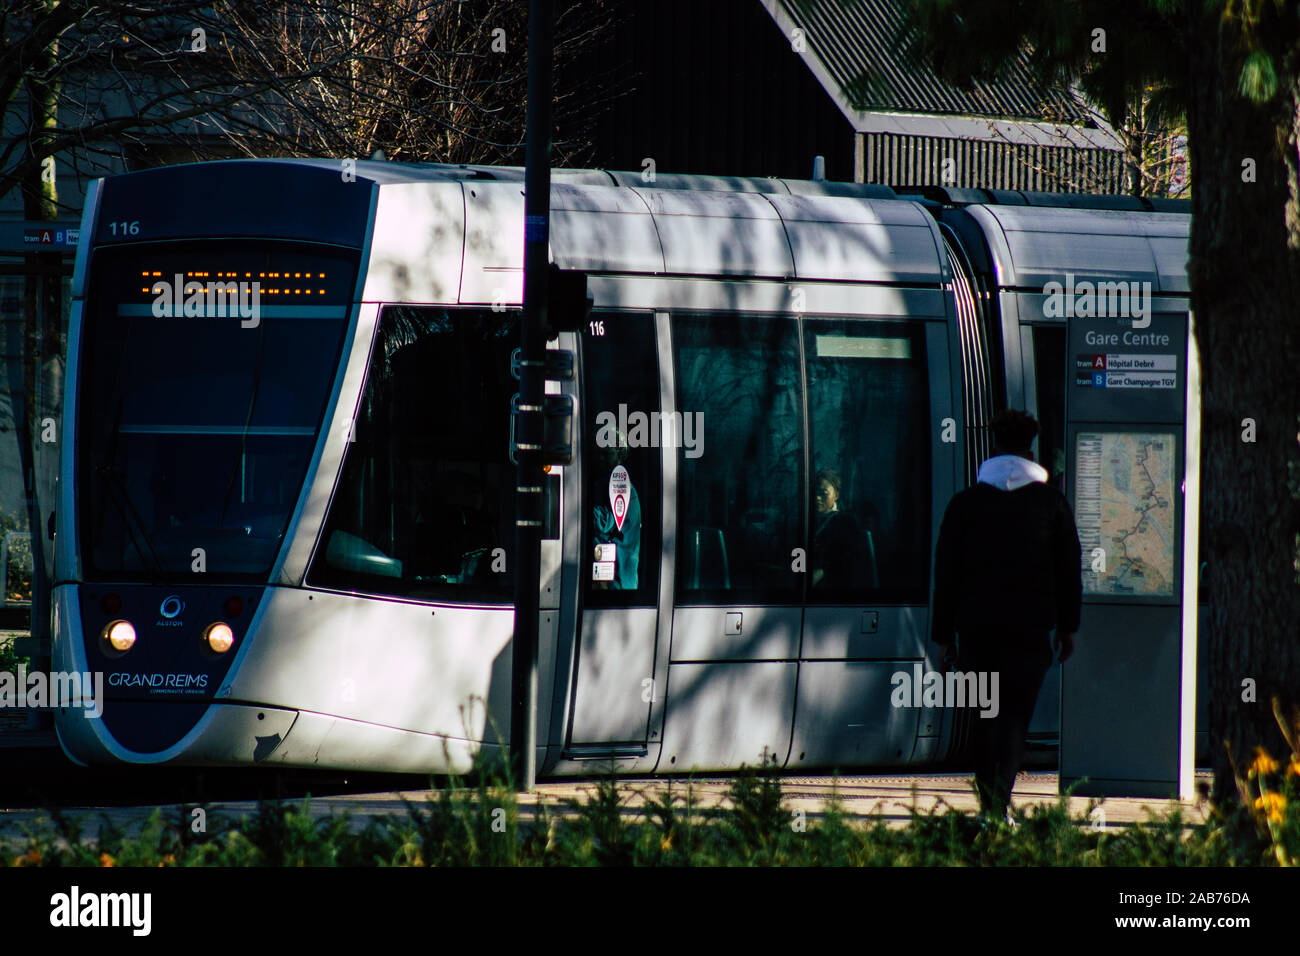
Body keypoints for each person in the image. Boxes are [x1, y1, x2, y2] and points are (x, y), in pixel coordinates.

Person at [931, 409, 1082, 821]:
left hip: (977, 633)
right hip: (1029, 631)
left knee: (984, 716)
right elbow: (1069, 568)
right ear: (1031, 448)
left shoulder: (964, 505)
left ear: (993, 446)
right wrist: (1068, 627)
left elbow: (946, 574)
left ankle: (989, 805)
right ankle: (999, 804)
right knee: (1015, 718)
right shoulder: (1052, 504)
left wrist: (943, 636)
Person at [811, 467, 868, 590]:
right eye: (814, 492)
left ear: (836, 495)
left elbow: (847, 562)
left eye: (823, 493)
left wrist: (821, 571)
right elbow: (797, 551)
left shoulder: (847, 523)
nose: (817, 498)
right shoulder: (804, 520)